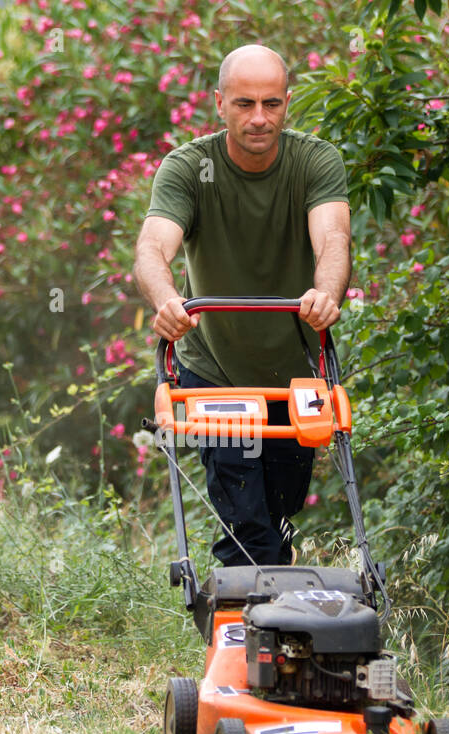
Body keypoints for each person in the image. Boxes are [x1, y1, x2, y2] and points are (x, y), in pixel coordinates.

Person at [134, 43, 351, 568]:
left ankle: (273, 604)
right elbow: (152, 248)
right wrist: (167, 302)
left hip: (294, 371)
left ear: (287, 103)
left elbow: (333, 239)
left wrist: (325, 293)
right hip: (216, 371)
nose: (259, 118)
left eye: (271, 104)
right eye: (244, 104)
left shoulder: (315, 161)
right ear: (219, 102)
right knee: (245, 519)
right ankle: (245, 632)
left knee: (282, 503)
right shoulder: (189, 168)